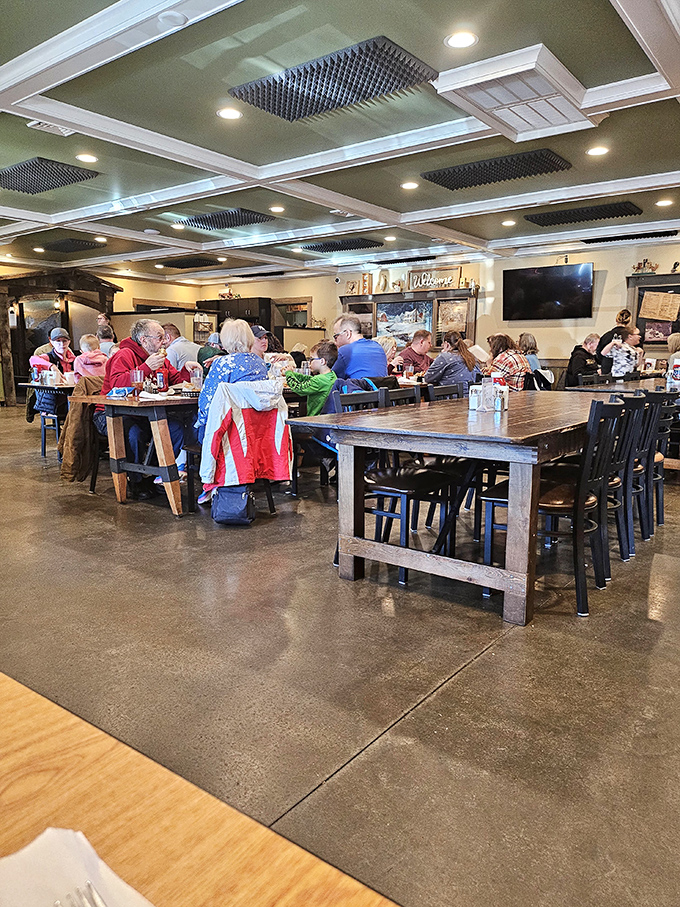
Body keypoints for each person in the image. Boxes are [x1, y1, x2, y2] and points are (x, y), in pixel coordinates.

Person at [94, 319, 200, 499]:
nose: (164, 342)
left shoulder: (161, 358)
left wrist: (185, 371)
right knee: (134, 434)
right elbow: (117, 386)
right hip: (110, 413)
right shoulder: (124, 355)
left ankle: (154, 473)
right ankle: (136, 480)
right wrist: (146, 367)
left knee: (176, 429)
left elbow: (175, 381)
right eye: (159, 337)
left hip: (144, 413)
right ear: (143, 340)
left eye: (164, 337)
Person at [195, 319, 268, 441]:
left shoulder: (222, 363)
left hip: (227, 432)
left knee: (191, 424)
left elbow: (207, 402)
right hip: (256, 431)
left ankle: (183, 460)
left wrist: (200, 422)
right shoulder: (261, 364)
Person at [29, 327, 76, 417]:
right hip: (53, 400)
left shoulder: (74, 359)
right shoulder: (49, 357)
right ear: (52, 343)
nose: (62, 344)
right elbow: (33, 359)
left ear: (69, 342)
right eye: (58, 341)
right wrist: (51, 366)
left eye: (64, 341)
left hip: (70, 396)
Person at [284, 341, 338, 416]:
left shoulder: (319, 380)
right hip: (327, 417)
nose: (309, 362)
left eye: (311, 359)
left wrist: (289, 373)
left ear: (322, 361)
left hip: (315, 419)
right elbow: (309, 378)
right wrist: (294, 374)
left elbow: (298, 388)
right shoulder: (331, 375)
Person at [332, 314, 387, 379]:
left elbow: (332, 379)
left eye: (336, 336)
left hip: (358, 388)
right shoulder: (378, 347)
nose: (335, 342)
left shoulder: (345, 351)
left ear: (347, 333)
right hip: (379, 388)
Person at [596, 309, 632, 374]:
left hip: (607, 369)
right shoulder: (630, 336)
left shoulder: (606, 336)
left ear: (616, 320)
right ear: (629, 321)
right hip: (624, 370)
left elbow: (599, 353)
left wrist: (605, 361)